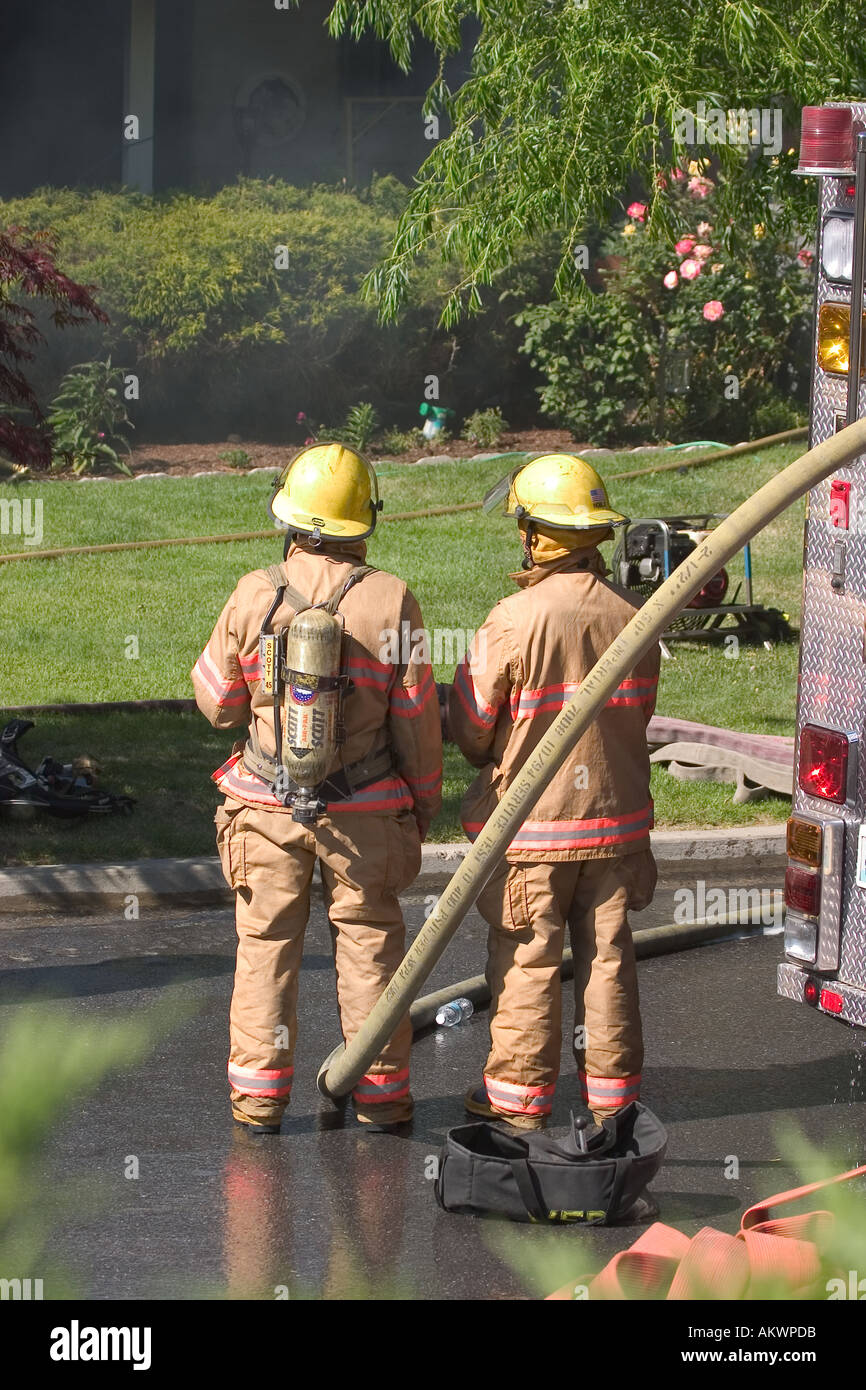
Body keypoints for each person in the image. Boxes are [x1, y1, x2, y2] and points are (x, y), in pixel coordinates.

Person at [192, 443, 442, 1134]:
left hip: (263, 810)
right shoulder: (392, 600)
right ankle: (381, 1096)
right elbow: (417, 722)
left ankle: (259, 1100)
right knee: (370, 948)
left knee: (266, 946)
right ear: (364, 521)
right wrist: (421, 806)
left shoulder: (253, 591)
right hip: (364, 814)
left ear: (292, 517)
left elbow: (216, 703)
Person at [448, 453, 659, 1131]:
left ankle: (517, 1104)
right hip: (615, 829)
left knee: (528, 961)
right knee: (608, 961)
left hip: (532, 834)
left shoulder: (513, 619)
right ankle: (612, 1103)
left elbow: (476, 729)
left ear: (539, 535)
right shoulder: (635, 616)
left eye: (525, 526)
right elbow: (638, 717)